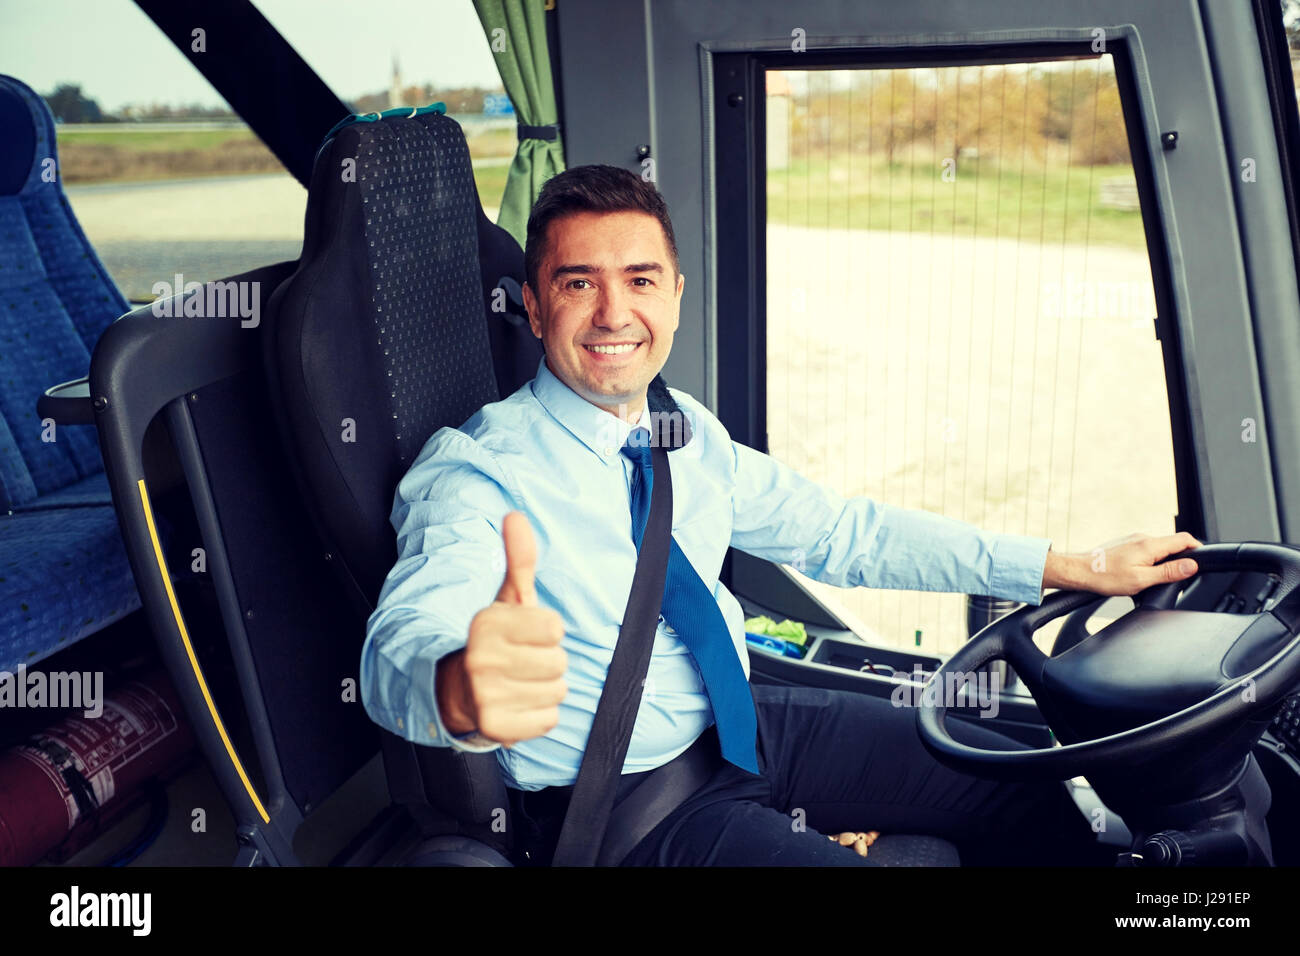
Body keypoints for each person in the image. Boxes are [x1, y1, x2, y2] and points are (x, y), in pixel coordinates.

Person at [359, 163, 1202, 866]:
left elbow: (844, 532)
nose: (615, 313)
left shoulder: (682, 431)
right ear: (537, 308)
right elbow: (404, 635)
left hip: (744, 729)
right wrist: (455, 684)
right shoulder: (476, 472)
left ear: (675, 297)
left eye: (640, 281)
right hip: (628, 806)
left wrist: (1065, 566)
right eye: (579, 283)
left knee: (1012, 778)